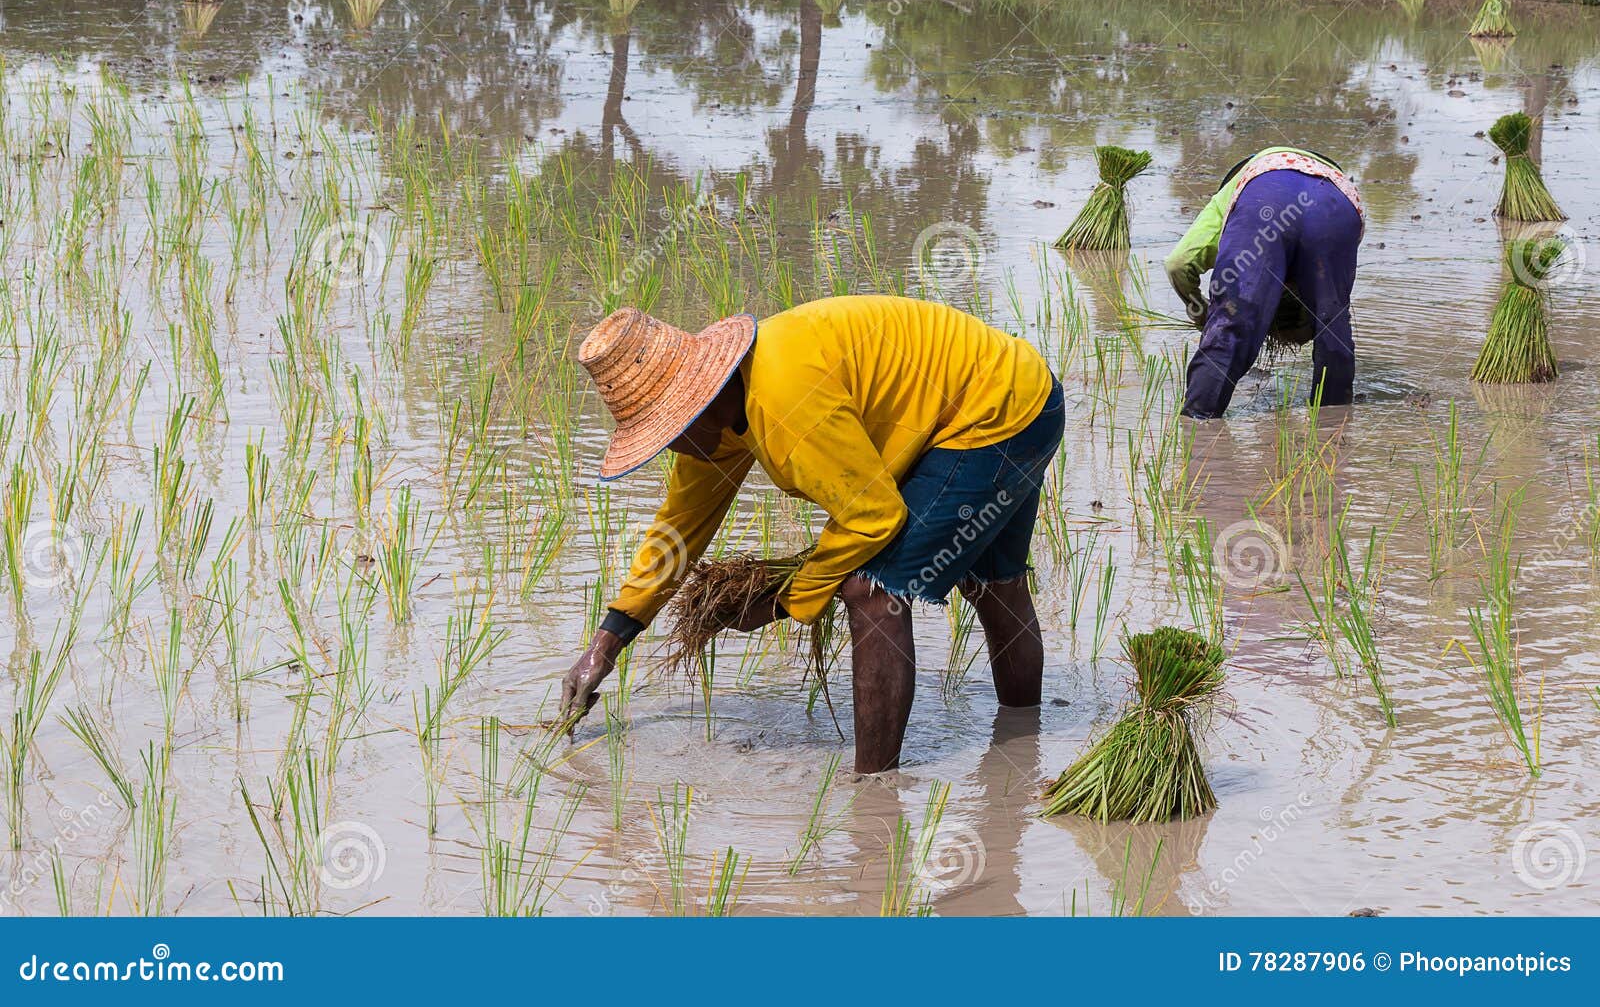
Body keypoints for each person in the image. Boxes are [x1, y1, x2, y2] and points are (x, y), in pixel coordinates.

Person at [558, 295, 1064, 773]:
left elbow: (872, 516)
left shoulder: (782, 403)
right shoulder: (720, 415)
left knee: (870, 590)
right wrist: (607, 643)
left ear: (698, 401)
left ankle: (874, 796)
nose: (671, 446)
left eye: (667, 432)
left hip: (993, 416)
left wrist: (782, 602)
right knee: (993, 584)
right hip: (1026, 391)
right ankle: (1023, 742)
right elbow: (679, 530)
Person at [1165, 146, 1364, 418]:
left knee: (1230, 328)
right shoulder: (1337, 182)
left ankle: (1197, 428)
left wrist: (1199, 308)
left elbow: (1177, 264)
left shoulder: (1236, 190)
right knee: (1333, 328)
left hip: (1264, 201)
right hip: (1338, 205)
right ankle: (1334, 432)